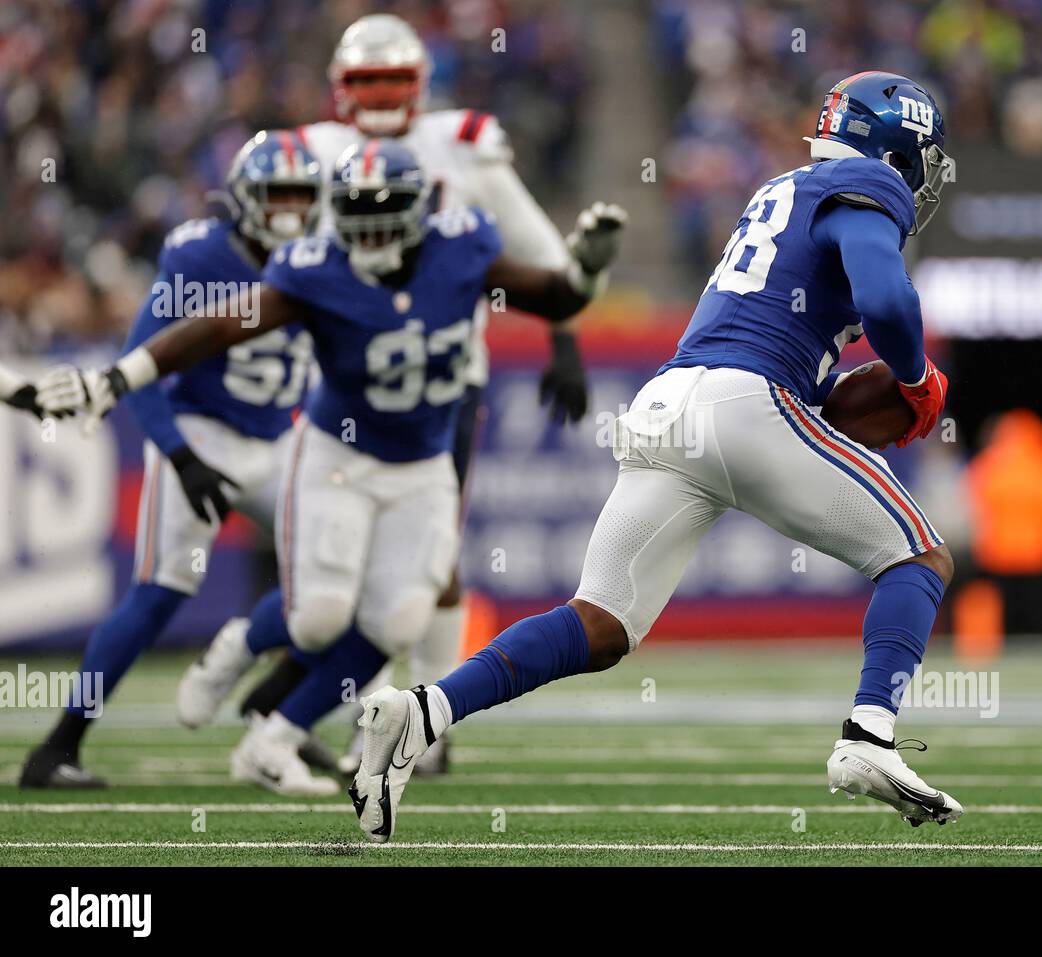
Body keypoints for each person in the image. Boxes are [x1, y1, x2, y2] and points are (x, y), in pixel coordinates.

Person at [345, 71, 964, 843]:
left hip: (668, 403)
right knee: (920, 558)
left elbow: (789, 329)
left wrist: (829, 393)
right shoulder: (867, 179)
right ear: (894, 143)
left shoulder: (786, 186)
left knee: (599, 623)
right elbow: (889, 301)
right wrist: (914, 374)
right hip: (745, 401)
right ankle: (867, 736)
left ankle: (420, 712)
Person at [36, 139, 623, 794]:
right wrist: (126, 387)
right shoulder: (297, 263)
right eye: (356, 208)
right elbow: (214, 329)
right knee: (295, 608)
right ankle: (108, 717)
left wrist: (586, 272)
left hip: (388, 454)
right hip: (278, 441)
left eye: (384, 208)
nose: (368, 223)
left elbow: (557, 293)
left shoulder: (461, 247)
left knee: (394, 618)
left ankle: (275, 729)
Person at [227, 13, 601, 776]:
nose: (382, 95)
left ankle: (418, 720)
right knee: (344, 577)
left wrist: (564, 340)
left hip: (441, 385)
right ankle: (293, 681)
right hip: (338, 381)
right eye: (367, 81)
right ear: (341, 86)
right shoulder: (313, 150)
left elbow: (537, 247)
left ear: (421, 82)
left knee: (425, 569)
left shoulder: (460, 145)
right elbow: (275, 253)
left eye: (395, 79)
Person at [18, 130, 321, 789]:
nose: (292, 209)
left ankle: (282, 712)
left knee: (339, 574)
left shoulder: (324, 258)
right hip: (201, 430)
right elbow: (139, 364)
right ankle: (58, 746)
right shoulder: (200, 254)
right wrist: (182, 457)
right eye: (278, 195)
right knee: (161, 591)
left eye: (302, 193)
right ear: (244, 199)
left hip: (277, 439)